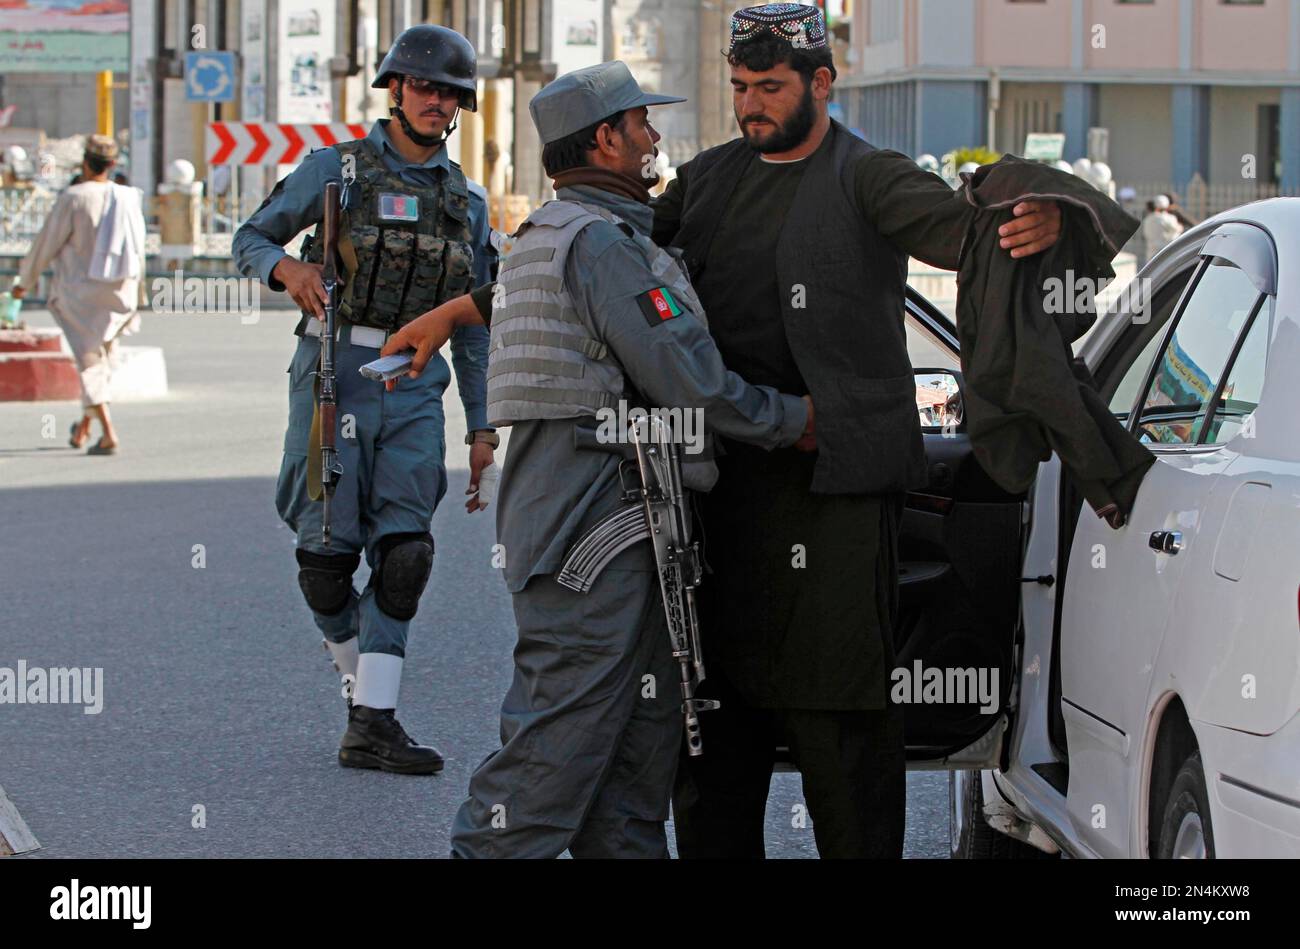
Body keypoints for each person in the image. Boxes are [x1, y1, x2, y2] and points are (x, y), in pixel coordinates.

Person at [391, 3, 1066, 858]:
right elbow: (595, 260)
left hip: (833, 502)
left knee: (841, 730)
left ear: (822, 83)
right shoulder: (707, 181)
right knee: (705, 729)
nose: (750, 103)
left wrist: (1031, 218)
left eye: (769, 87)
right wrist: (455, 311)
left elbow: (963, 233)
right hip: (710, 506)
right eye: (740, 86)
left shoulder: (870, 175)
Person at [383, 61, 813, 857]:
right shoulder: (601, 245)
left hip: (609, 531)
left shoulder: (562, 232)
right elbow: (694, 384)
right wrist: (797, 420)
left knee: (628, 773)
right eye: (643, 124)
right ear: (607, 137)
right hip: (595, 535)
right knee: (551, 761)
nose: (654, 138)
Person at [232, 24, 496, 776]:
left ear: (460, 105)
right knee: (324, 559)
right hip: (333, 373)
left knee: (406, 555)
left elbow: (473, 323)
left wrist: (482, 425)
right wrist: (288, 270)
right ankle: (362, 691)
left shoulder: (466, 201)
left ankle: (375, 720)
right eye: (422, 86)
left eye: (449, 92)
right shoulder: (335, 171)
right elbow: (250, 237)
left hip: (414, 385)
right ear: (395, 90)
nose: (434, 101)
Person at [13, 133, 146, 455]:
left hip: (81, 294)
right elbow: (139, 249)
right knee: (102, 359)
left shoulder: (74, 197)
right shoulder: (129, 197)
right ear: (112, 165)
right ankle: (84, 428)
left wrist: (23, 283)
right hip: (120, 294)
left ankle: (108, 433)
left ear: (86, 163)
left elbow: (47, 243)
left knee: (89, 362)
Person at [1142, 194, 1183, 265]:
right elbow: (1178, 231)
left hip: (1151, 256)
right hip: (1167, 256)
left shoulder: (1147, 220)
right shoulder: (1170, 218)